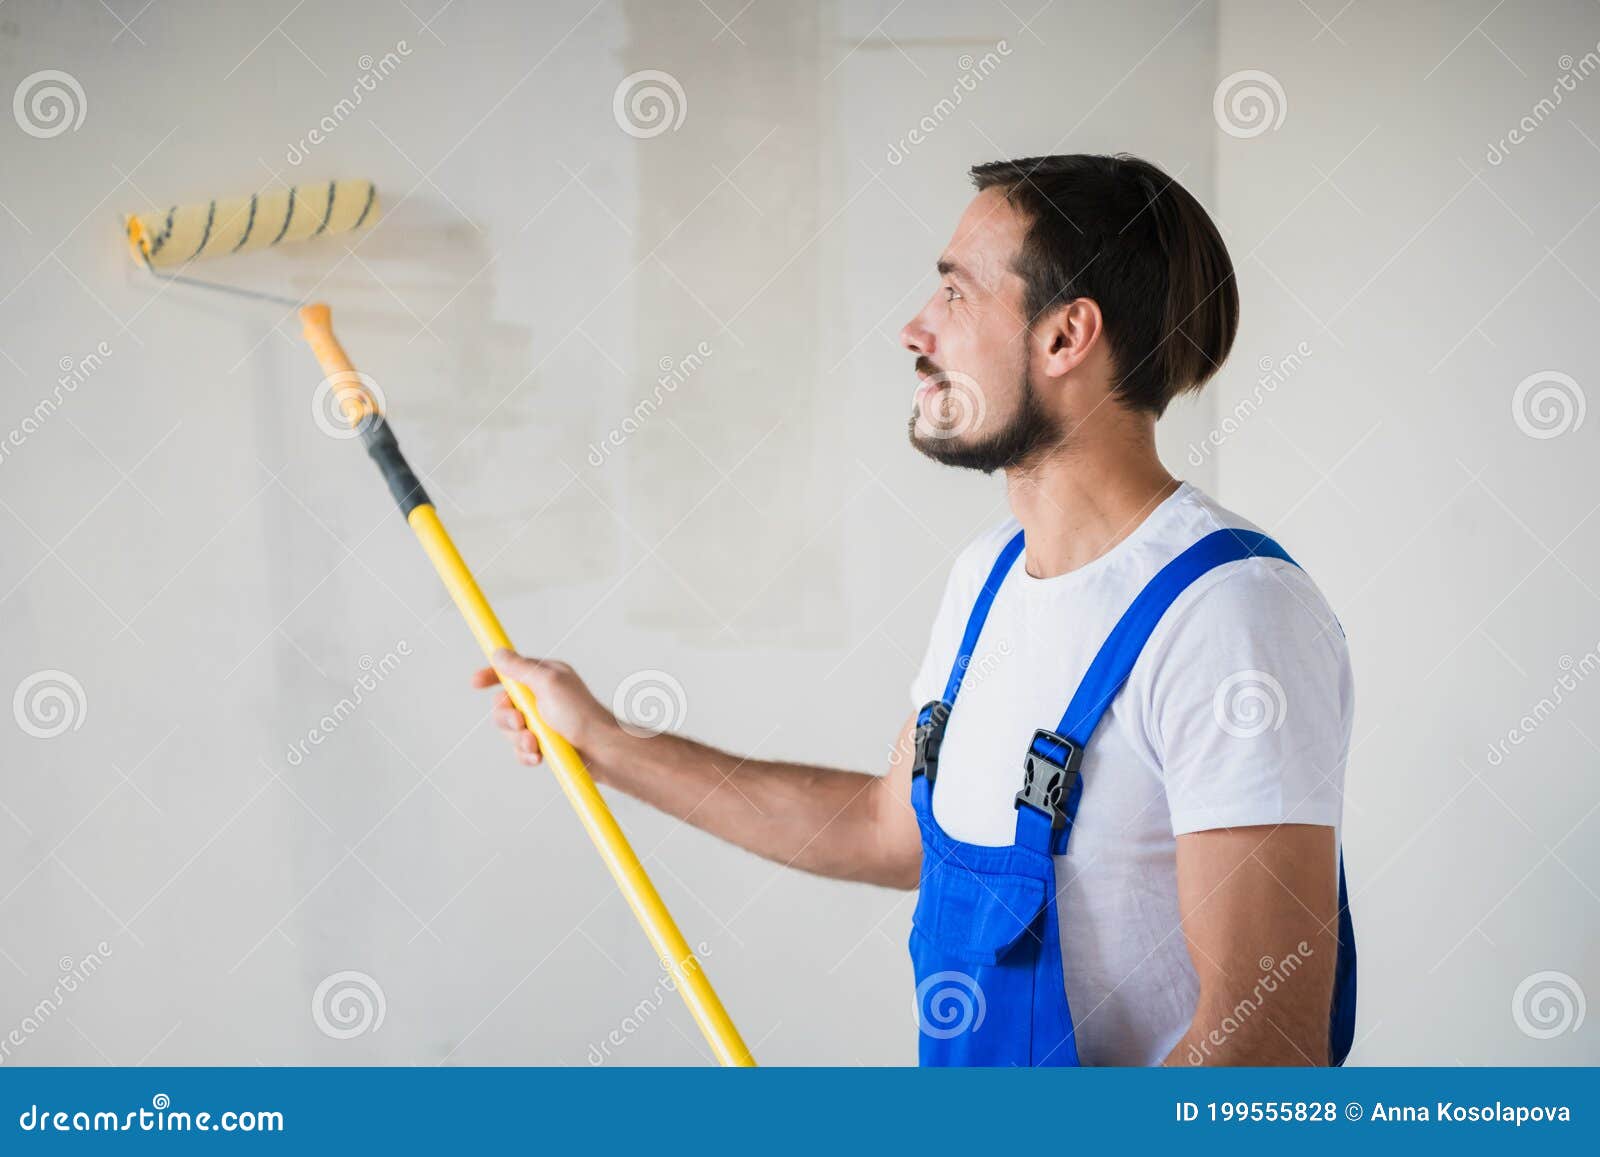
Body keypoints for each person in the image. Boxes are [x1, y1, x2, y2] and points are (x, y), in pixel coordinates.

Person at [471, 154, 1356, 1067]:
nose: (914, 329)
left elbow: (1270, 1044)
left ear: (1065, 337)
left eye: (956, 293)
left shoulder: (1229, 616)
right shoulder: (990, 577)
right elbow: (886, 830)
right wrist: (606, 742)